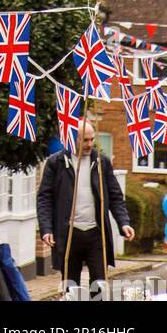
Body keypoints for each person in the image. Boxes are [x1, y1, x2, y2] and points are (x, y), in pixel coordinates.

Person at [36, 122, 134, 293]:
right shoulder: (56, 162)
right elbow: (44, 198)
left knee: (99, 286)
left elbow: (115, 196)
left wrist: (124, 222)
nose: (90, 144)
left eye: (92, 140)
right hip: (69, 234)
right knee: (70, 287)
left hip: (96, 233)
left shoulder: (101, 162)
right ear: (72, 140)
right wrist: (46, 229)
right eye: (85, 140)